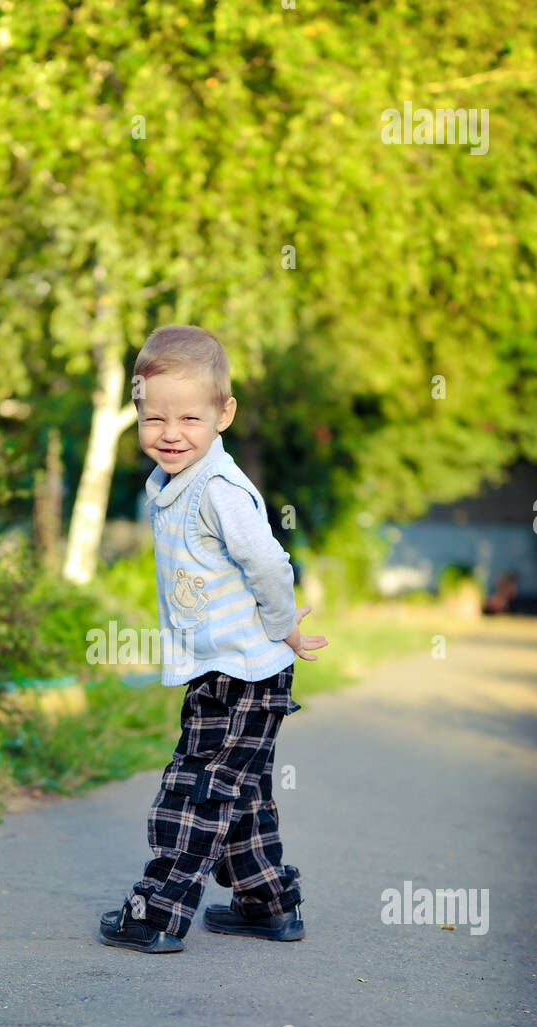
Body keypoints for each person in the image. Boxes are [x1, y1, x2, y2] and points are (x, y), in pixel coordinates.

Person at [99, 325, 328, 954]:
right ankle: (268, 904)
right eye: (155, 418)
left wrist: (284, 625)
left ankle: (158, 911)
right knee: (242, 793)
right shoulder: (173, 485)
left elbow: (271, 565)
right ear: (139, 413)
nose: (171, 433)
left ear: (224, 413)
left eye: (190, 418)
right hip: (223, 671)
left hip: (247, 674)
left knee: (196, 791)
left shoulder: (219, 490)